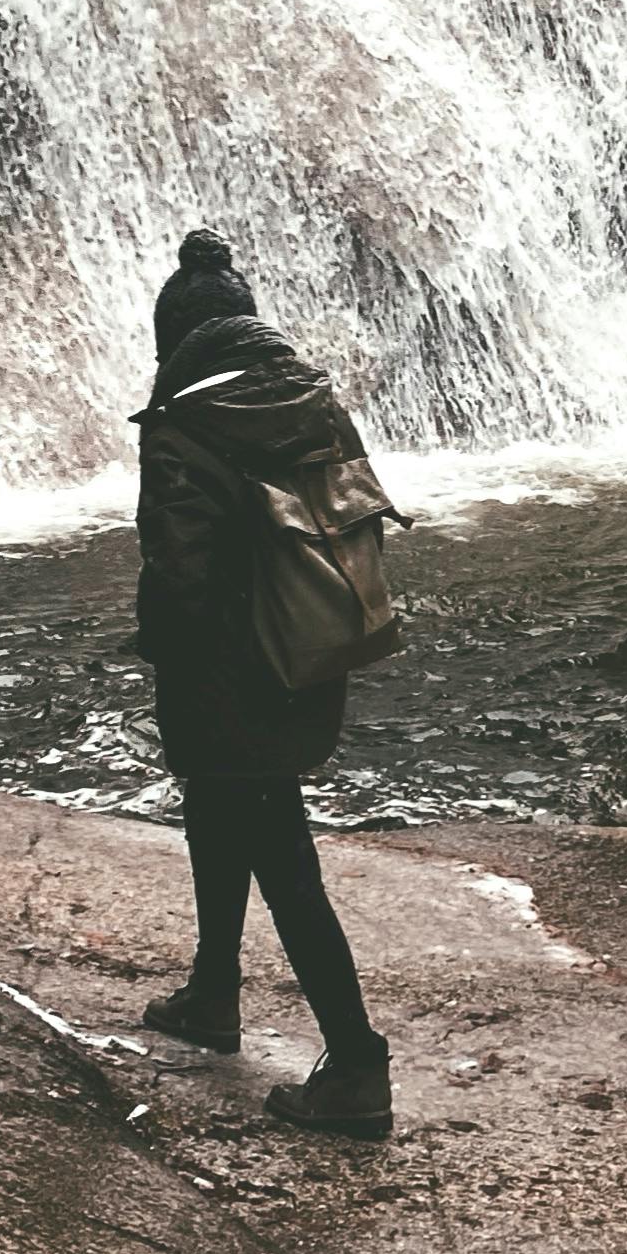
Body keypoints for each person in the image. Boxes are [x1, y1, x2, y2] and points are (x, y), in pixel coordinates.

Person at [131, 228, 393, 1139]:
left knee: (281, 858)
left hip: (222, 678)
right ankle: (212, 992)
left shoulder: (183, 428)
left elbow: (179, 579)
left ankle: (358, 1064)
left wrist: (159, 656)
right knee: (220, 810)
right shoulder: (317, 407)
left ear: (178, 342)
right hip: (310, 658)